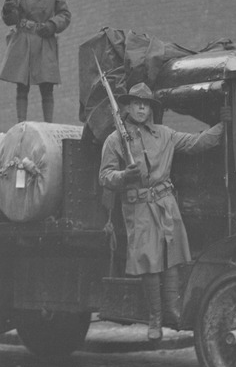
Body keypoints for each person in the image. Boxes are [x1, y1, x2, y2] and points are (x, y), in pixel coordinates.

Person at [98, 83, 228, 341]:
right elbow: (104, 176)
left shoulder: (165, 134)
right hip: (138, 207)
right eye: (136, 103)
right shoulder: (116, 139)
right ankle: (155, 318)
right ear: (127, 107)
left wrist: (224, 125)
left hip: (166, 203)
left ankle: (173, 311)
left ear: (151, 109)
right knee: (149, 261)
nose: (141, 108)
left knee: (171, 257)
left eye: (146, 104)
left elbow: (197, 142)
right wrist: (124, 176)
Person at [0, 0, 71, 123]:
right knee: (22, 85)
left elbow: (65, 15)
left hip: (44, 38)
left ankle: (49, 125)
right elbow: (11, 19)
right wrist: (8, 10)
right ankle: (21, 123)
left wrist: (52, 25)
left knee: (47, 85)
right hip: (24, 38)